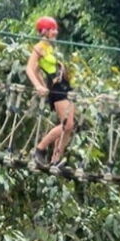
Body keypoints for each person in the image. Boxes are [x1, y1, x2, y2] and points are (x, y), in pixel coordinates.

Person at [26, 16, 75, 168]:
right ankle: (39, 149)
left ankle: (56, 159)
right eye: (52, 29)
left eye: (55, 29)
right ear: (44, 31)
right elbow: (30, 68)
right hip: (57, 89)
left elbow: (37, 70)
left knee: (70, 126)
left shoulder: (50, 48)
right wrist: (38, 86)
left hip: (65, 87)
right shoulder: (39, 47)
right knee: (66, 125)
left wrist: (42, 83)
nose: (55, 32)